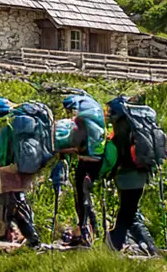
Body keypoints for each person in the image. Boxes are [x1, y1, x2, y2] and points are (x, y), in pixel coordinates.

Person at [104, 96, 159, 255]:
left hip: (126, 175)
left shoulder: (121, 128)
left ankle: (121, 243)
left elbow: (117, 155)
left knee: (128, 213)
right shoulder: (138, 125)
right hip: (141, 173)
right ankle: (139, 245)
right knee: (130, 211)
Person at [0, 97, 41, 248]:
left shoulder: (6, 128)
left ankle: (32, 238)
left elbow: (2, 154)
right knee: (18, 202)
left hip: (9, 171)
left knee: (13, 205)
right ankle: (13, 234)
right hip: (24, 168)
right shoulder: (22, 125)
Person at [59, 93, 105, 247]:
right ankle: (95, 230)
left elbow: (76, 143)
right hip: (97, 161)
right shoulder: (96, 121)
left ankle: (84, 230)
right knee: (87, 194)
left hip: (85, 162)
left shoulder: (81, 122)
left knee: (81, 195)